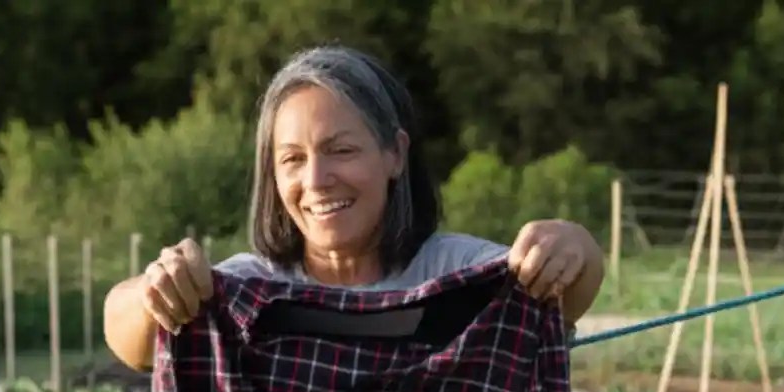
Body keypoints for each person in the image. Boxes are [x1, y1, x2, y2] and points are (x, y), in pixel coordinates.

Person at [103, 45, 605, 372]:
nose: (317, 181)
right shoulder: (248, 291)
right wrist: (156, 291)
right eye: (293, 160)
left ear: (395, 154)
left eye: (342, 151)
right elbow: (128, 336)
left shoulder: (460, 275)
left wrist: (574, 246)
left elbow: (565, 291)